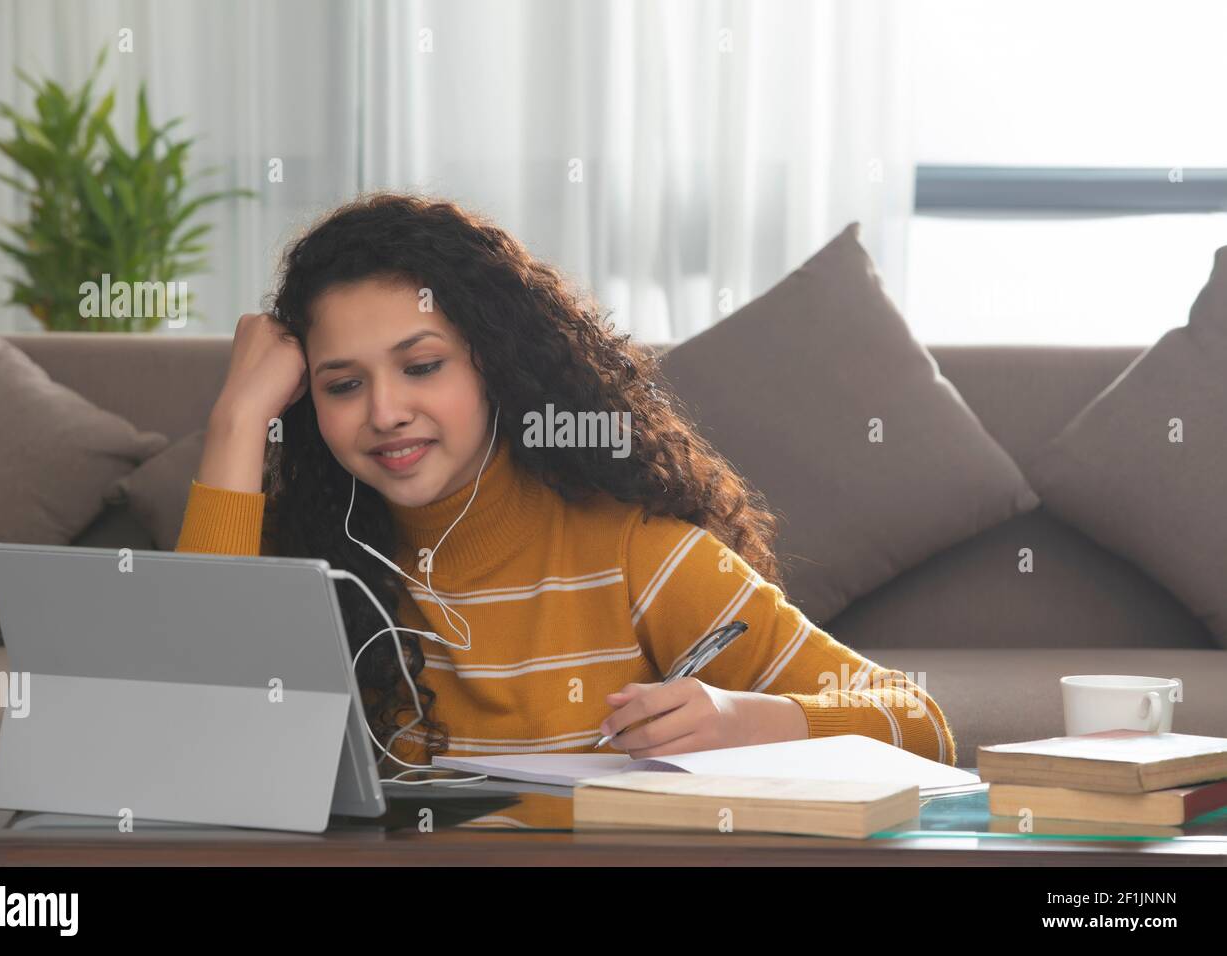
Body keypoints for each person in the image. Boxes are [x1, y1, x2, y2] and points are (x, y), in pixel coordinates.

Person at [176, 191, 957, 792]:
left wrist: (747, 720)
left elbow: (920, 727)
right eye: (342, 384)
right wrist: (238, 422)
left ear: (495, 366)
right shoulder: (304, 557)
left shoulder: (634, 552)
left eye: (422, 367)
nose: (385, 413)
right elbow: (184, 739)